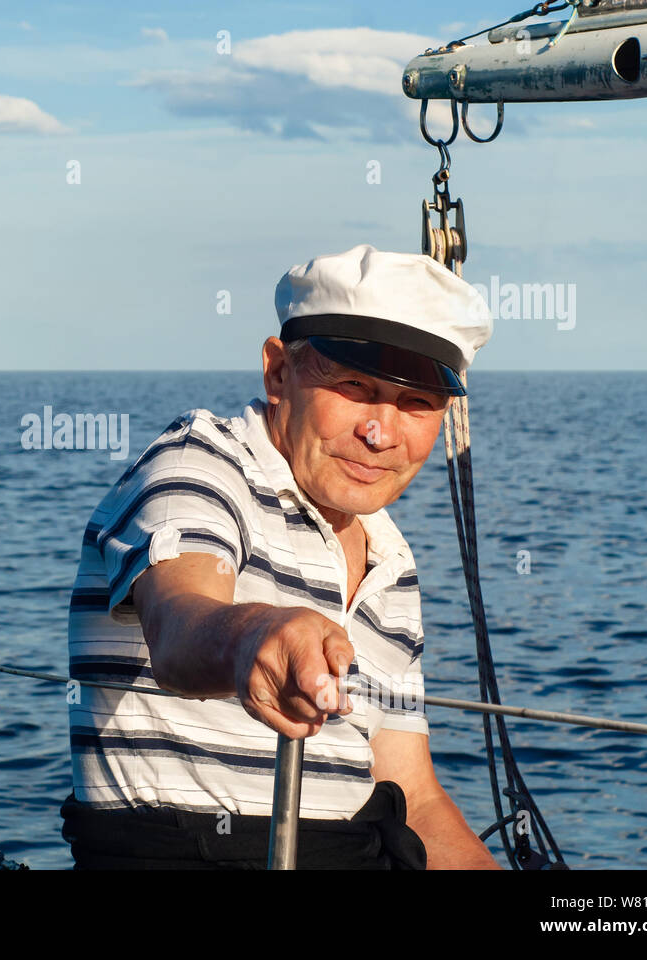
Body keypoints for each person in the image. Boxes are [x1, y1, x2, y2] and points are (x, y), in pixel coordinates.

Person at [61, 243, 502, 869]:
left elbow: (418, 800)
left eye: (416, 404)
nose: (380, 433)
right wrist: (258, 635)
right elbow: (180, 624)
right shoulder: (202, 464)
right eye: (354, 386)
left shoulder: (390, 559)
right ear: (277, 372)